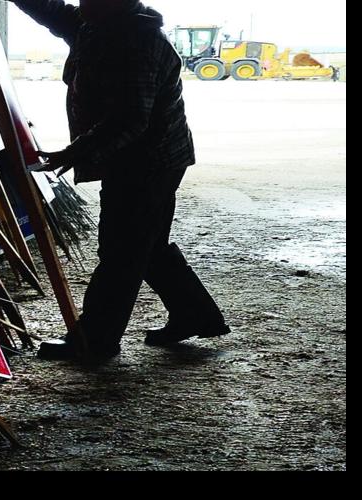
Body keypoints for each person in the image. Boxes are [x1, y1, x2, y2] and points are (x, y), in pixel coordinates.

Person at [13, 0, 230, 362]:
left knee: (120, 249)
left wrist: (77, 151)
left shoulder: (137, 42)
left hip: (149, 160)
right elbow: (52, 12)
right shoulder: (95, 24)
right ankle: (195, 314)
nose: (82, 6)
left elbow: (131, 118)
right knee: (147, 244)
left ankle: (96, 339)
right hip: (141, 156)